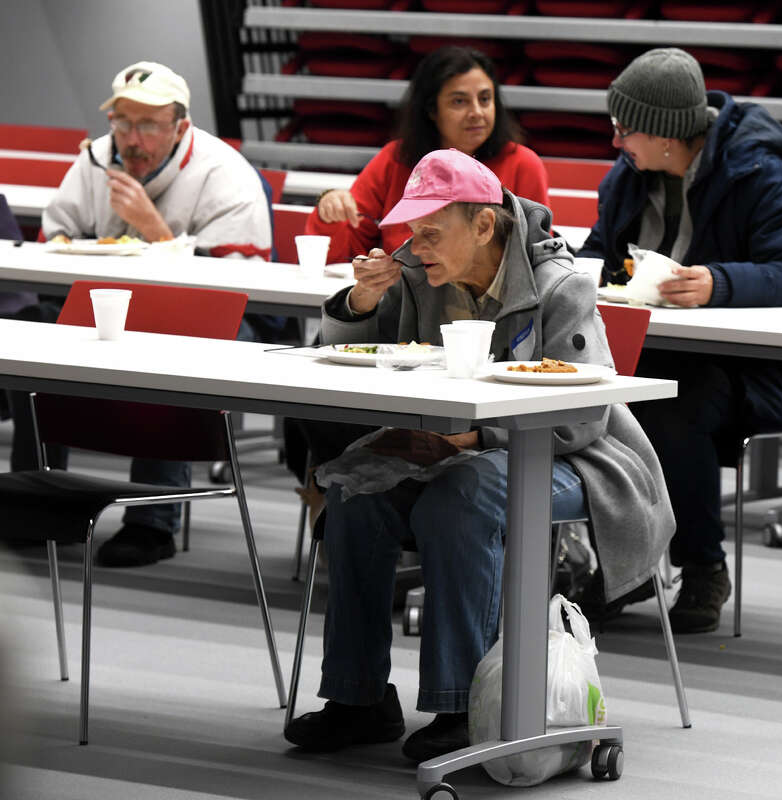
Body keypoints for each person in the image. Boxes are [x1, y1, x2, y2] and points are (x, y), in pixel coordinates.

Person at [283, 149, 674, 760]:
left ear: (484, 224)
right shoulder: (417, 277)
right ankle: (358, 699)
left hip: (573, 458)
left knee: (461, 497)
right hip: (453, 453)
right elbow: (350, 355)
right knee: (357, 493)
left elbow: (583, 416)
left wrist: (475, 439)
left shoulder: (559, 285)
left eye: (431, 233)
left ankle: (463, 706)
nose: (416, 247)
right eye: (412, 233)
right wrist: (359, 303)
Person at [578, 48, 782, 634]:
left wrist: (719, 283)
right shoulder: (628, 177)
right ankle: (628, 566)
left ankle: (703, 565)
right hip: (652, 350)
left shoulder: (754, 172)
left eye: (625, 128)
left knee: (673, 404)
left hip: (745, 366)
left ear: (665, 136)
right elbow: (597, 254)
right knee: (585, 401)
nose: (616, 141)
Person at [29, 61, 273, 567]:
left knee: (173, 344)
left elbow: (242, 282)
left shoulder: (224, 172)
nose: (131, 139)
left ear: (180, 127)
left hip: (212, 320)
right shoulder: (97, 157)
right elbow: (54, 233)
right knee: (33, 327)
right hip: (108, 303)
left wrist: (155, 230)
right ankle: (40, 503)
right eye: (122, 122)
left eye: (148, 125)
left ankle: (152, 521)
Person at [304, 45, 549, 263]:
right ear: (431, 110)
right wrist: (330, 212)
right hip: (402, 296)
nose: (477, 112)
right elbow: (343, 255)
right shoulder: (396, 159)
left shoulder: (523, 164)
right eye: (459, 102)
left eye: (485, 99)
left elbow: (533, 256)